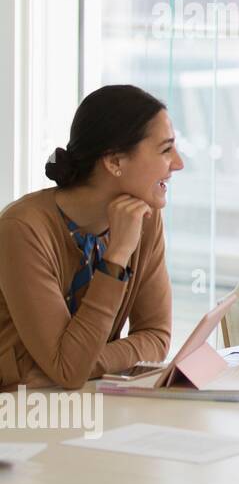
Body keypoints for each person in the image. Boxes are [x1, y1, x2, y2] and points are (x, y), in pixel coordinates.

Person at [0, 85, 182, 390]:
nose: (178, 163)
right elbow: (69, 369)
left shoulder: (146, 219)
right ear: (114, 162)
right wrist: (117, 256)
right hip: (17, 413)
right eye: (165, 149)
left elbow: (156, 338)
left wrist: (75, 367)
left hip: (79, 398)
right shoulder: (22, 229)